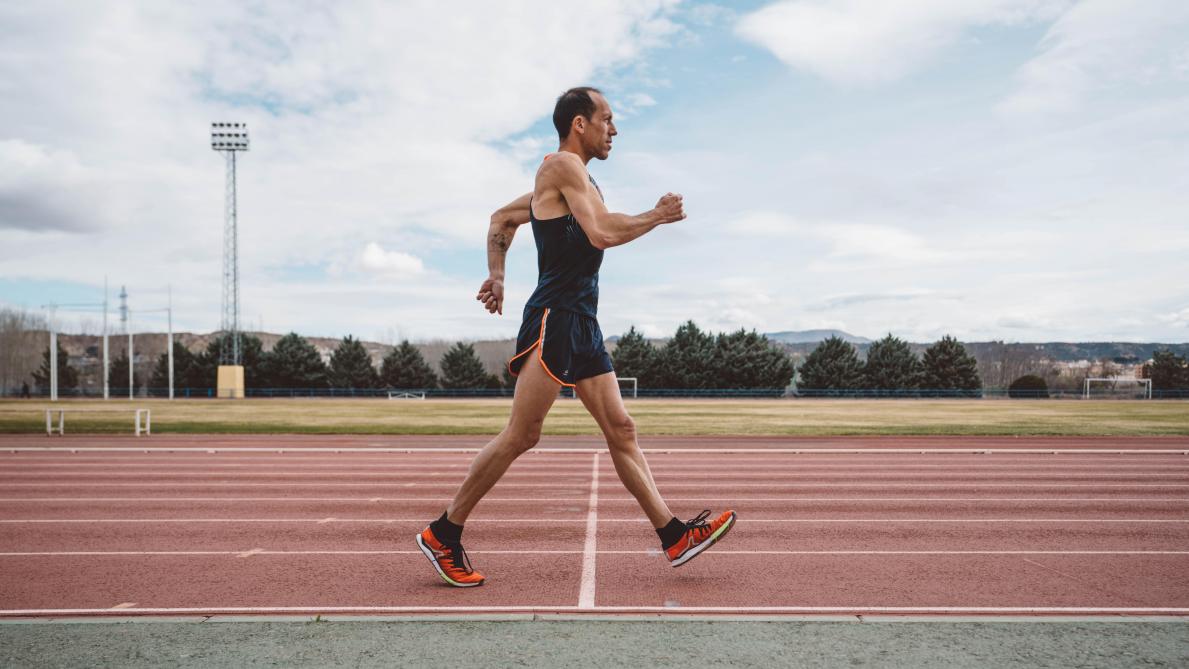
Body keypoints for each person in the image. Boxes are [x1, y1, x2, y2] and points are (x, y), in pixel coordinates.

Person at [416, 87, 735, 587]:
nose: (615, 130)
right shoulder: (560, 166)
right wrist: (657, 215)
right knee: (523, 434)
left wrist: (497, 275)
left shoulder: (577, 181)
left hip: (583, 321)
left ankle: (673, 535)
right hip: (555, 317)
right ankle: (443, 532)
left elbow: (502, 219)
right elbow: (602, 233)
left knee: (621, 429)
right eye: (607, 119)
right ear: (579, 124)